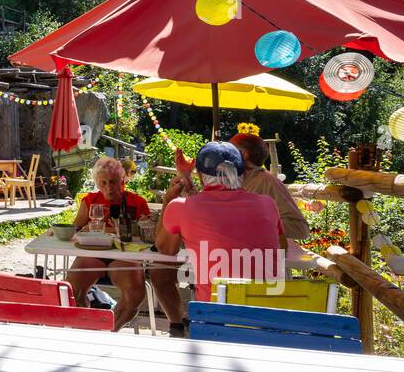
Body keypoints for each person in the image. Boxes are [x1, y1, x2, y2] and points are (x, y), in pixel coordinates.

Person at [152, 142, 283, 337]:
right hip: (267, 320)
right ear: (243, 174)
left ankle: (177, 327)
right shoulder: (267, 204)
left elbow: (164, 249)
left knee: (160, 273)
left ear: (199, 174)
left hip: (214, 321)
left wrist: (168, 200)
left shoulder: (181, 207)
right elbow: (283, 247)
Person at [65, 155, 153, 331]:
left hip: (125, 256)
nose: (108, 187)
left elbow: (148, 233)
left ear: (122, 180)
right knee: (72, 292)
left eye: (113, 182)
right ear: (97, 183)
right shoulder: (90, 201)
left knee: (134, 296)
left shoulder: (137, 202)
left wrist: (132, 227)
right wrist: (85, 230)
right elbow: (76, 230)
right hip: (94, 254)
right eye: (103, 182)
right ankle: (89, 329)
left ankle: (110, 330)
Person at [229, 132, 310, 242]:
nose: (225, 154)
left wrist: (255, 223)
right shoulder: (233, 179)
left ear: (243, 154)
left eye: (230, 150)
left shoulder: (269, 182)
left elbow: (300, 229)